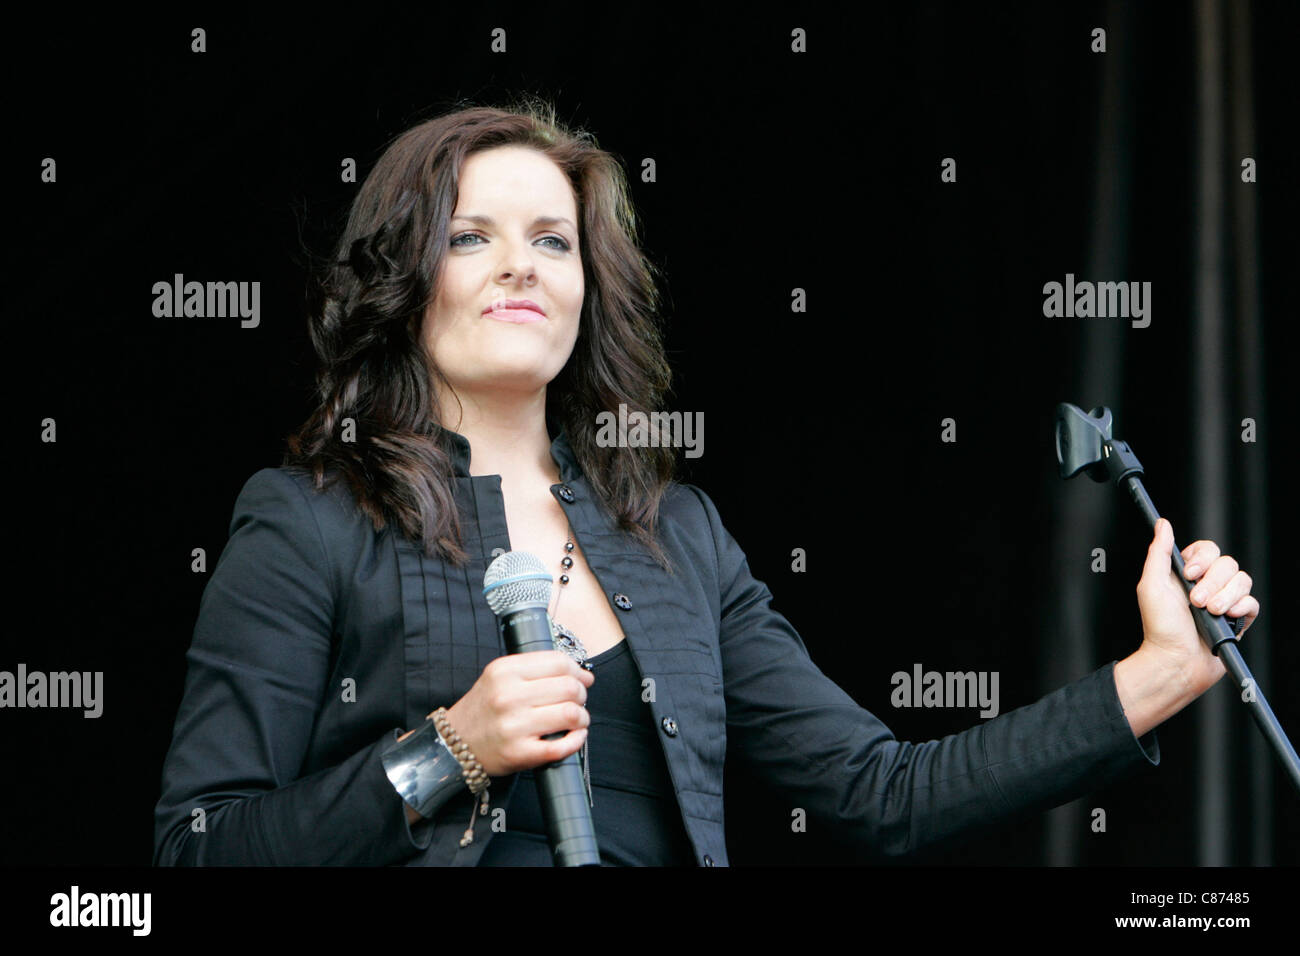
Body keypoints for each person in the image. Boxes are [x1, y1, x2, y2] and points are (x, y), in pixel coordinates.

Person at [152, 100, 1260, 866]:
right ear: (404, 279)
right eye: (469, 236)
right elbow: (197, 846)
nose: (519, 265)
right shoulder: (307, 520)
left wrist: (1160, 670)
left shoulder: (673, 534)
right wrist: (443, 752)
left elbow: (885, 794)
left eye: (552, 238)